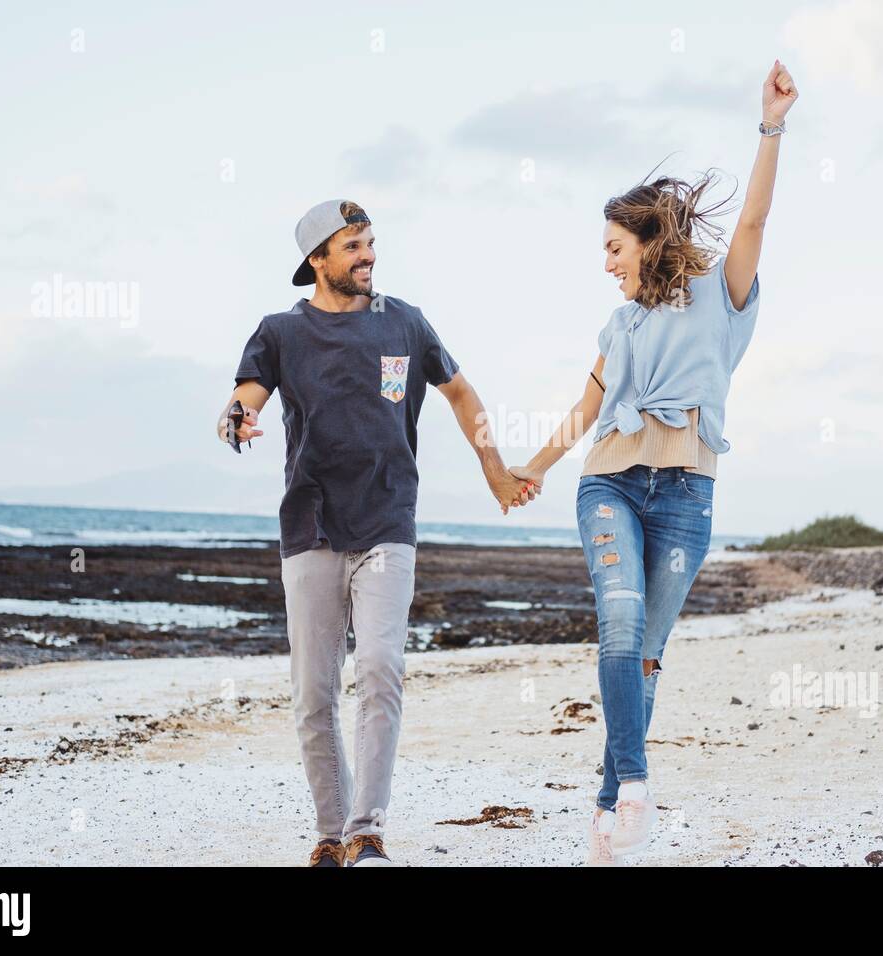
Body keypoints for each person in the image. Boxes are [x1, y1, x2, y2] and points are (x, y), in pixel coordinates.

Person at [510, 61, 798, 865]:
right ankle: (634, 783)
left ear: (648, 240)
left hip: (687, 492)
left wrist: (771, 124)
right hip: (609, 481)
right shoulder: (619, 324)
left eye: (612, 246)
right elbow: (584, 409)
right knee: (622, 620)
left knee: (645, 655)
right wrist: (524, 469)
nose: (605, 262)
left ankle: (607, 807)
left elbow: (755, 222)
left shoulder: (721, 295)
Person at [218, 199, 533, 867]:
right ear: (316, 261)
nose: (368, 256)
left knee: (382, 667)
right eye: (352, 246)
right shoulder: (280, 332)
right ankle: (331, 836)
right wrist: (236, 420)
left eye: (369, 242)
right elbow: (245, 395)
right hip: (310, 528)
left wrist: (496, 471)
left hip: (389, 521)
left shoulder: (406, 323)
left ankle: (368, 830)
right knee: (313, 693)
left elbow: (463, 394)